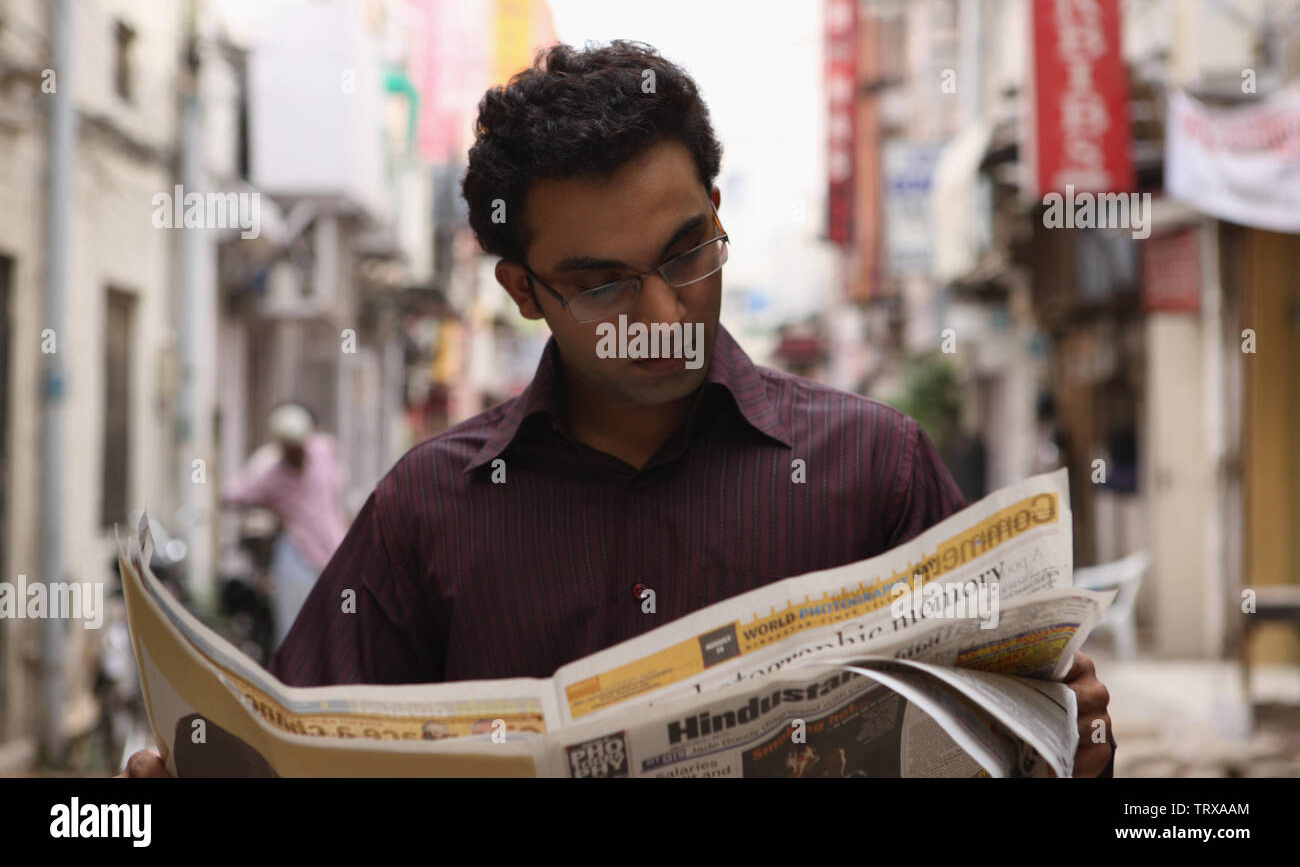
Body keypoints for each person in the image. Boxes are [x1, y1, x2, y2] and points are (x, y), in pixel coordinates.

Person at [121, 40, 1111, 778]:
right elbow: (297, 740)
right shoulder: (432, 508)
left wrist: (1071, 736)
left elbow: (1008, 733)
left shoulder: (874, 466)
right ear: (521, 289)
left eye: (687, 252)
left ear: (720, 215)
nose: (662, 311)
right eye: (599, 283)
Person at [219, 402, 349, 650]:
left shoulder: (321, 453)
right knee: (295, 629)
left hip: (332, 552)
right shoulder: (274, 477)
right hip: (300, 555)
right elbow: (231, 493)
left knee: (335, 627)